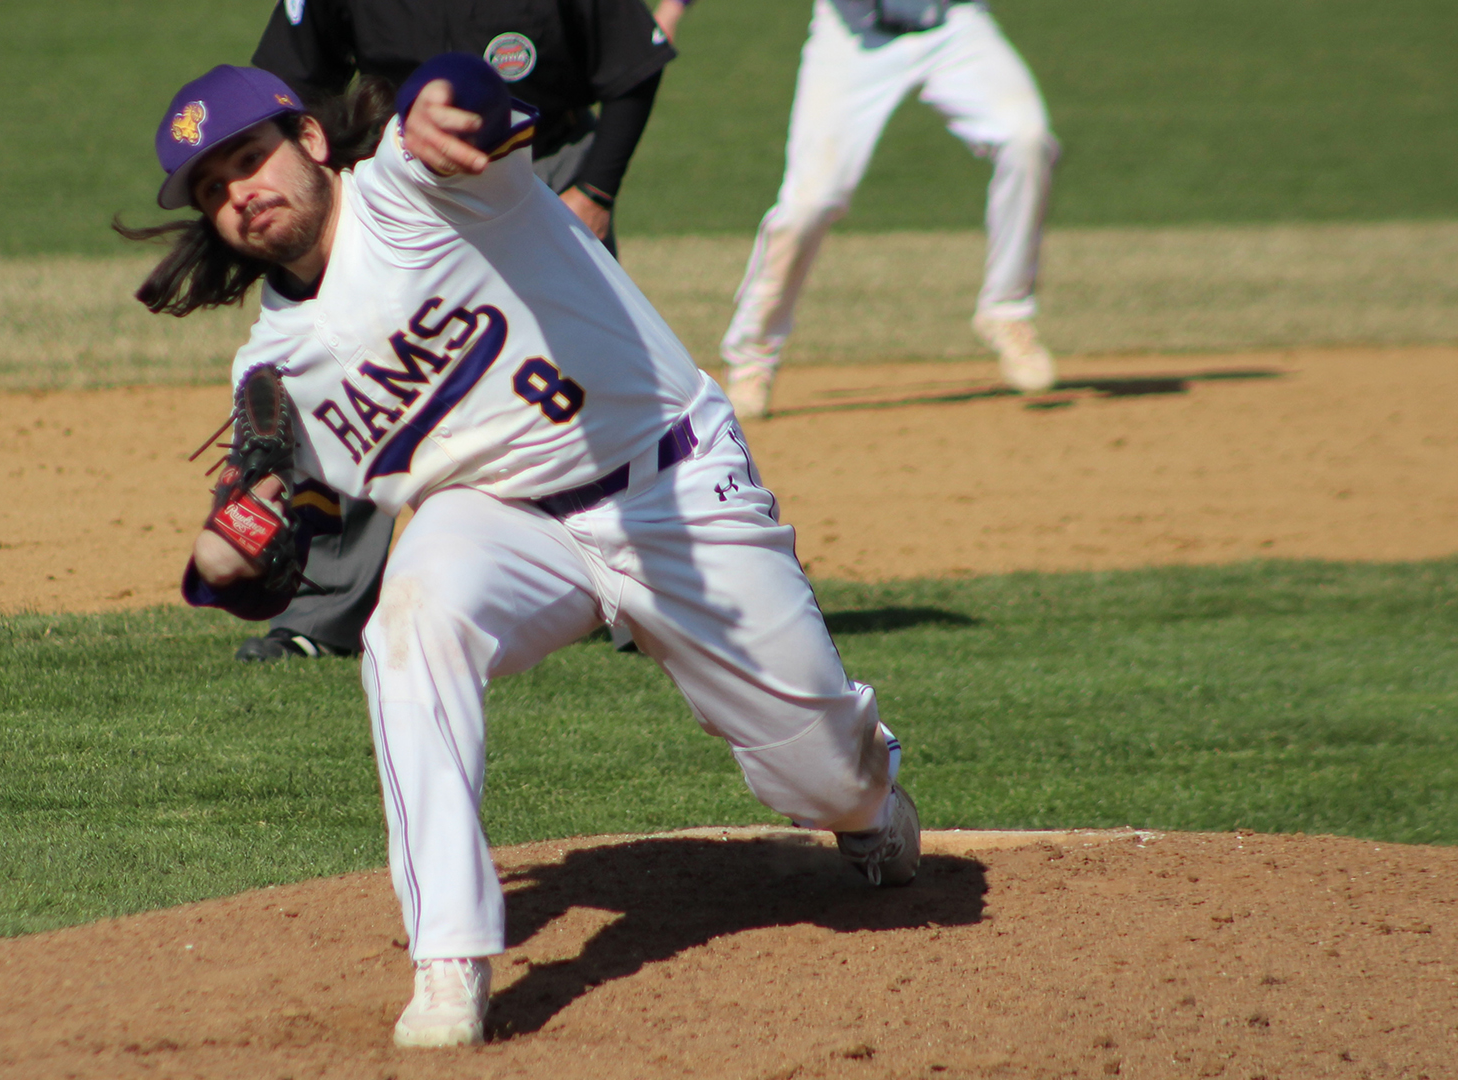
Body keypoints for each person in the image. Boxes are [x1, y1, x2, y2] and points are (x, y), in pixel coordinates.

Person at [126, 55, 920, 1049]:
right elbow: (293, 531)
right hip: (498, 523)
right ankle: (448, 962)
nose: (240, 192)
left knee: (826, 786)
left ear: (312, 141)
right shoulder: (276, 367)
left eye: (249, 158)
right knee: (409, 625)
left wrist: (445, 96)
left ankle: (869, 792)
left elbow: (480, 105)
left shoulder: (416, 188)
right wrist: (231, 561)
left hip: (666, 482)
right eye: (213, 188)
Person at [235, 0, 677, 662]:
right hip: (397, 193)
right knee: (361, 386)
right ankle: (322, 611)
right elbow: (286, 82)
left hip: (538, 173)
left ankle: (648, 598)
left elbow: (633, 65)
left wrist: (599, 189)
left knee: (590, 386)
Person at [710, 0, 1062, 419]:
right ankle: (753, 357)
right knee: (809, 203)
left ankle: (1007, 311)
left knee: (1026, 140)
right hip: (853, 37)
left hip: (952, 24)